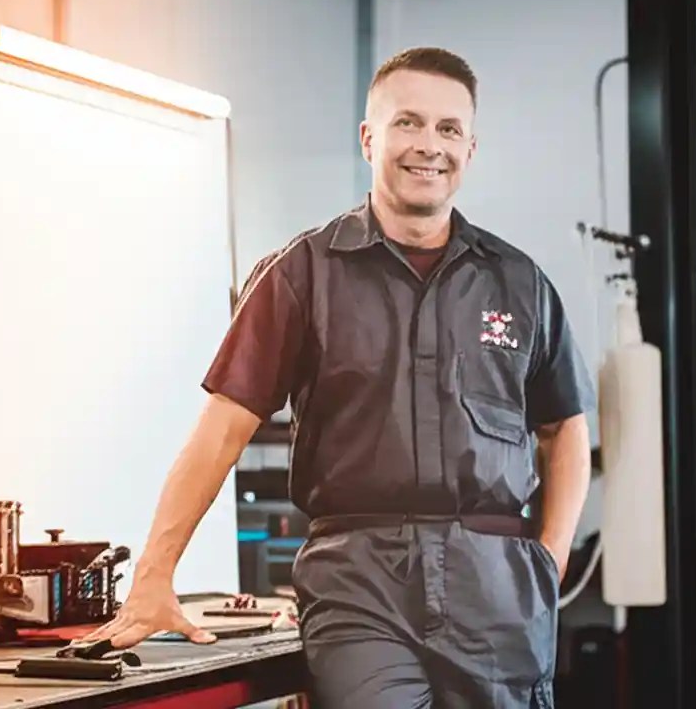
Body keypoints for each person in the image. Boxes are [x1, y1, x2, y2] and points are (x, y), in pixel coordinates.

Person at [83, 46, 595, 708]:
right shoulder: (301, 275)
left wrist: (548, 562)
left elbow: (565, 428)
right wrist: (154, 573)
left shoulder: (519, 282)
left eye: (447, 129)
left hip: (497, 589)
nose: (427, 146)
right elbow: (219, 434)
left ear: (471, 147)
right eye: (407, 122)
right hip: (360, 584)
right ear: (368, 137)